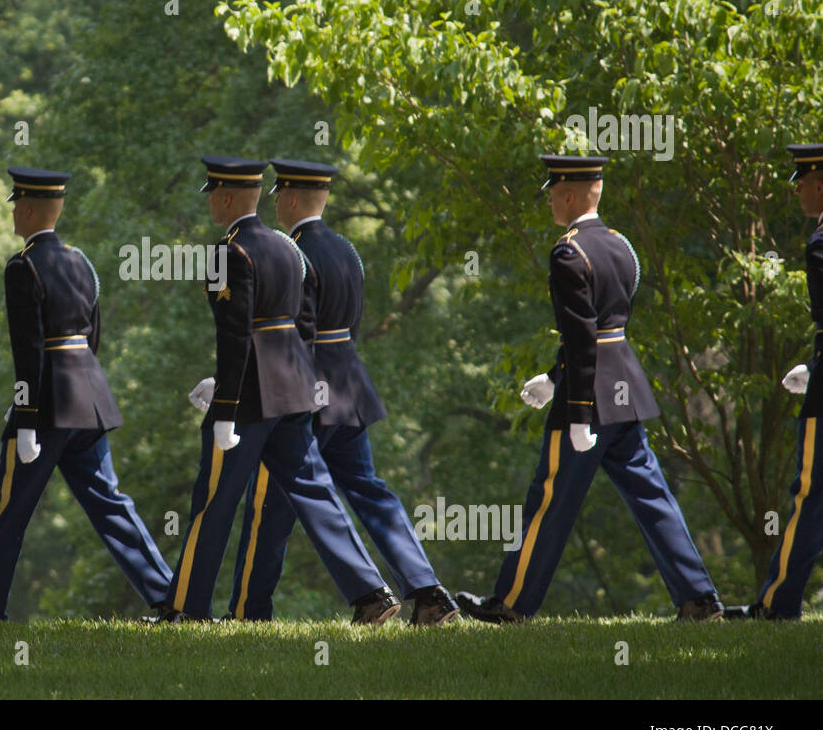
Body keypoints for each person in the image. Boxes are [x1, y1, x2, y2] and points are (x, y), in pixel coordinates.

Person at [456, 155, 723, 622]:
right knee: (652, 495)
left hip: (591, 399)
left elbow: (581, 338)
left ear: (572, 195)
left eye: (554, 193)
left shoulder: (569, 253)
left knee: (548, 502)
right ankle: (698, 597)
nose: (550, 202)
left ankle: (512, 603)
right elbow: (606, 330)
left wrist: (576, 410)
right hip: (625, 389)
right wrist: (552, 377)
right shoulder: (621, 246)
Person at [157, 156, 398, 624]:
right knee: (313, 491)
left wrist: (224, 401)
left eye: (212, 193)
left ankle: (186, 609)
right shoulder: (287, 248)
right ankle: (372, 593)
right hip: (295, 390)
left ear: (226, 197)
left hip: (249, 396)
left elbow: (235, 333)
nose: (210, 201)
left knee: (214, 500)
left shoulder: (227, 252)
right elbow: (298, 326)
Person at [220, 159, 459, 625]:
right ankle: (430, 595)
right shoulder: (347, 250)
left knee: (269, 503)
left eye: (278, 196)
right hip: (350, 385)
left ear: (289, 199)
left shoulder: (292, 252)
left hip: (307, 390)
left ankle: (256, 609)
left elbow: (296, 336)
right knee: (371, 493)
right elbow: (351, 323)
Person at [0, 167, 173, 623]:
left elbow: (28, 349)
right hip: (89, 398)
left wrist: (27, 411)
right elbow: (92, 336)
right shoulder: (81, 261)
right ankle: (171, 600)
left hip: (49, 407)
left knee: (8, 510)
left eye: (18, 203)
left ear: (32, 208)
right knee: (112, 505)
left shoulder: (23, 266)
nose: (14, 211)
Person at [727, 143, 823, 620]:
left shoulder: (821, 242)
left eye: (802, 181)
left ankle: (778, 602)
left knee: (810, 495)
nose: (799, 190)